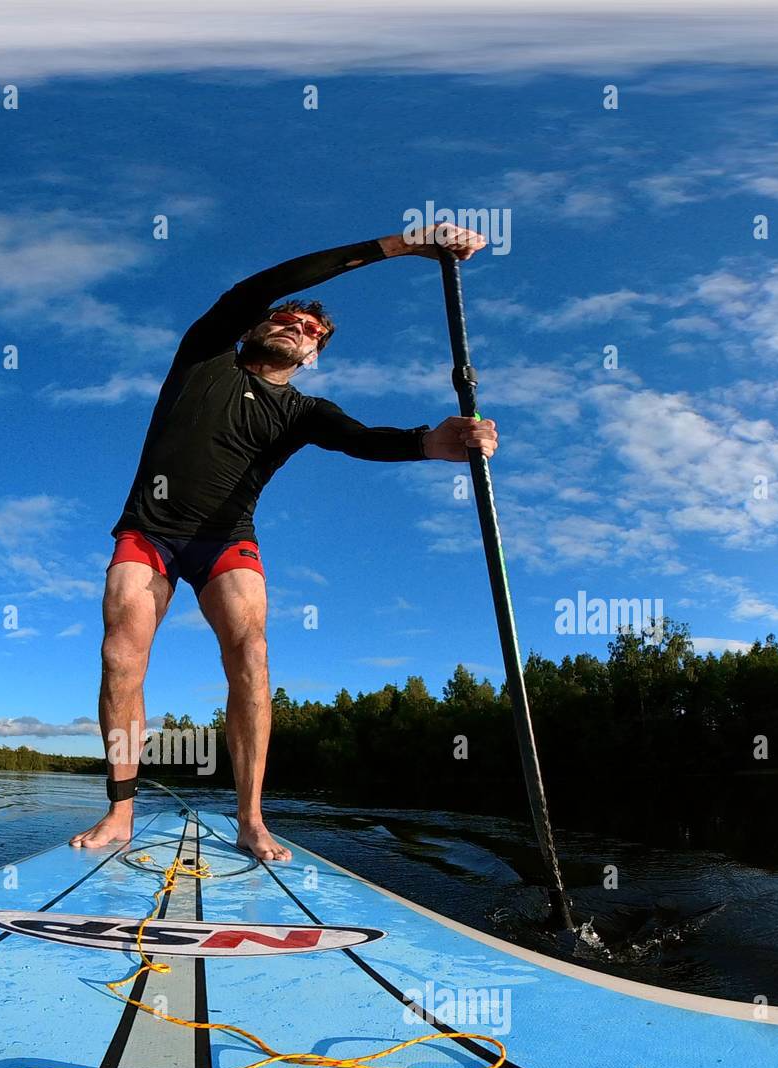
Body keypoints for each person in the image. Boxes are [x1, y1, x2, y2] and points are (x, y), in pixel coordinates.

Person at [71, 224, 496, 861]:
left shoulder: (304, 412)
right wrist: (403, 246)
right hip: (149, 530)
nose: (298, 327)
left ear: (315, 354)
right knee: (121, 654)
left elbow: (367, 440)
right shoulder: (204, 357)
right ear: (252, 330)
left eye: (311, 331)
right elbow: (262, 286)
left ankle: (250, 818)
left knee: (252, 651)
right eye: (287, 320)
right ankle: (120, 810)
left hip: (226, 541)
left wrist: (436, 444)